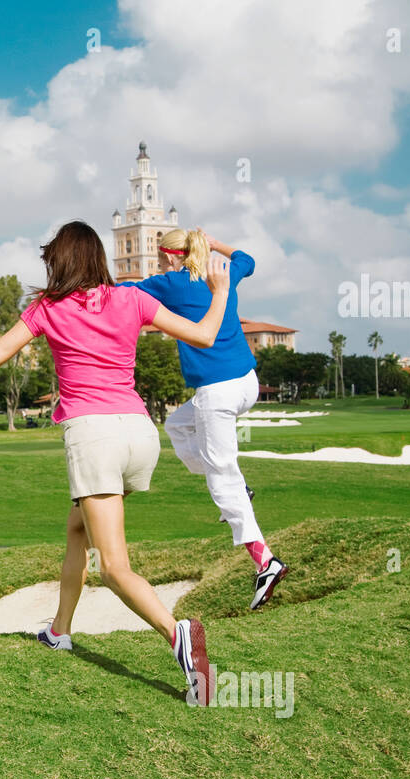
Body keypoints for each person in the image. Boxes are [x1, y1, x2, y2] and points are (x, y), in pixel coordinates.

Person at [0, 221, 231, 704]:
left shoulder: (48, 307)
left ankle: (179, 634)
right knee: (77, 530)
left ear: (61, 261)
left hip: (94, 437)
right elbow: (206, 336)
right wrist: (220, 290)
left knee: (114, 567)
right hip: (139, 434)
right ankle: (60, 630)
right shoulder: (132, 298)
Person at [122, 229, 288, 610]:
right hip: (246, 382)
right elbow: (249, 257)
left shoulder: (172, 283)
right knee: (177, 426)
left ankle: (265, 561)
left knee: (221, 474)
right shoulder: (222, 271)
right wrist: (215, 244)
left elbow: (125, 290)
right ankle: (237, 494)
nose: (160, 262)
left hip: (218, 393)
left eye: (162, 256)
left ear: (170, 257)